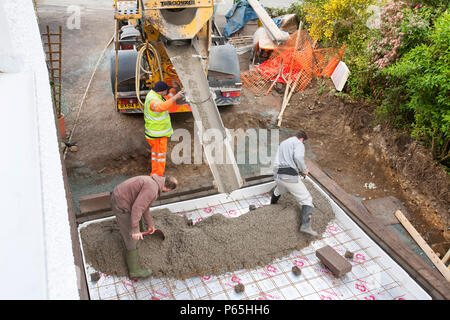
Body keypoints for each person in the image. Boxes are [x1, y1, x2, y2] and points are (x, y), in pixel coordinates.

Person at [110, 174, 178, 278]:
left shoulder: (154, 182)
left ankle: (141, 233)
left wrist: (150, 224)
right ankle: (134, 270)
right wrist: (135, 230)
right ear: (168, 189)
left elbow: (144, 207)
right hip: (120, 203)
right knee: (130, 236)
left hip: (121, 195)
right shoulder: (152, 189)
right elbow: (137, 208)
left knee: (138, 216)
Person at [270, 130, 318, 237]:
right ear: (302, 139)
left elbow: (284, 159)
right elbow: (298, 158)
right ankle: (305, 225)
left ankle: (271, 207)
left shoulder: (283, 143)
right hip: (289, 175)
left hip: (277, 174)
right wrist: (304, 169)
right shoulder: (299, 143)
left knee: (279, 190)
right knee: (307, 199)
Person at [144, 81, 184, 176]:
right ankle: (158, 177)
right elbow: (162, 106)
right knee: (159, 157)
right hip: (157, 135)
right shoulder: (153, 100)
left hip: (156, 134)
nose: (167, 92)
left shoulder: (155, 95)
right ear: (161, 91)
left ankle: (155, 175)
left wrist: (174, 91)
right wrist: (176, 97)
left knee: (156, 157)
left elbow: (166, 100)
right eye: (166, 90)